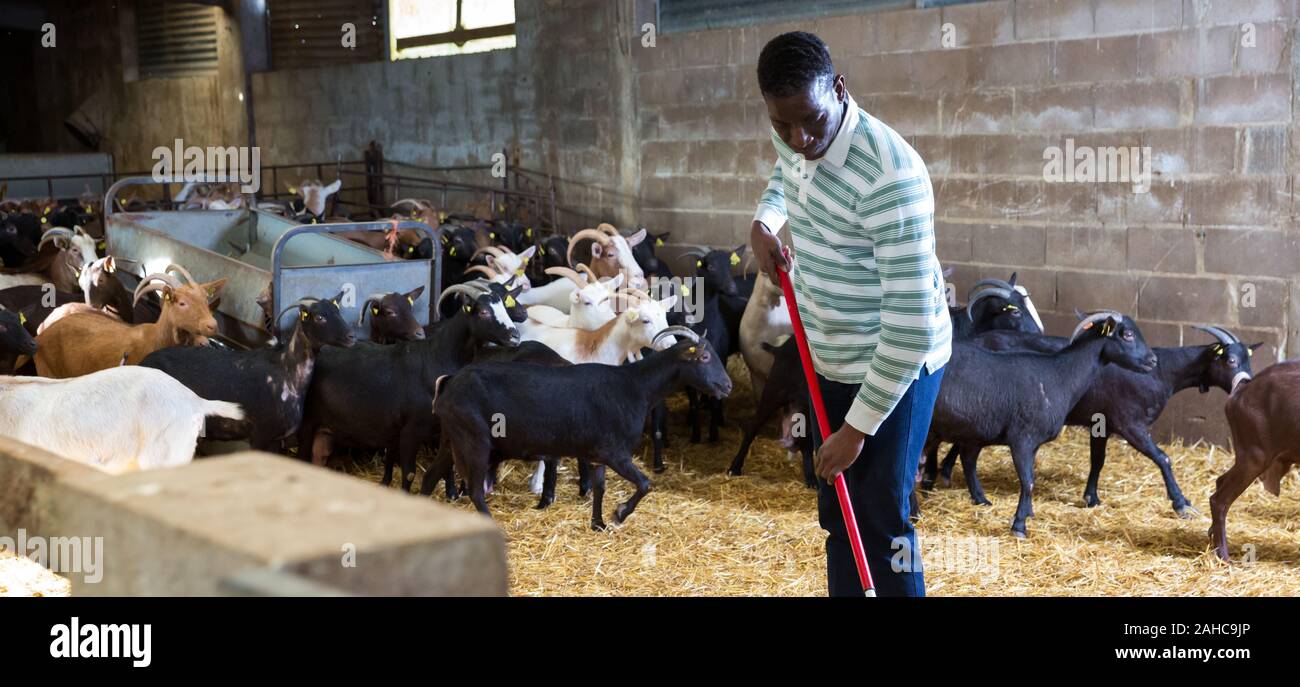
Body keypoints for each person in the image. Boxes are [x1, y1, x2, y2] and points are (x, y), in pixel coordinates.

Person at [747, 31, 951, 597]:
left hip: (897, 361)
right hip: (829, 349)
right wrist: (765, 221)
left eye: (810, 121)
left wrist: (856, 430)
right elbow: (785, 173)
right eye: (781, 124)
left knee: (883, 518)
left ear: (839, 88)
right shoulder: (794, 133)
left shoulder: (892, 175)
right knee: (839, 513)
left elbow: (909, 329)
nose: (797, 138)